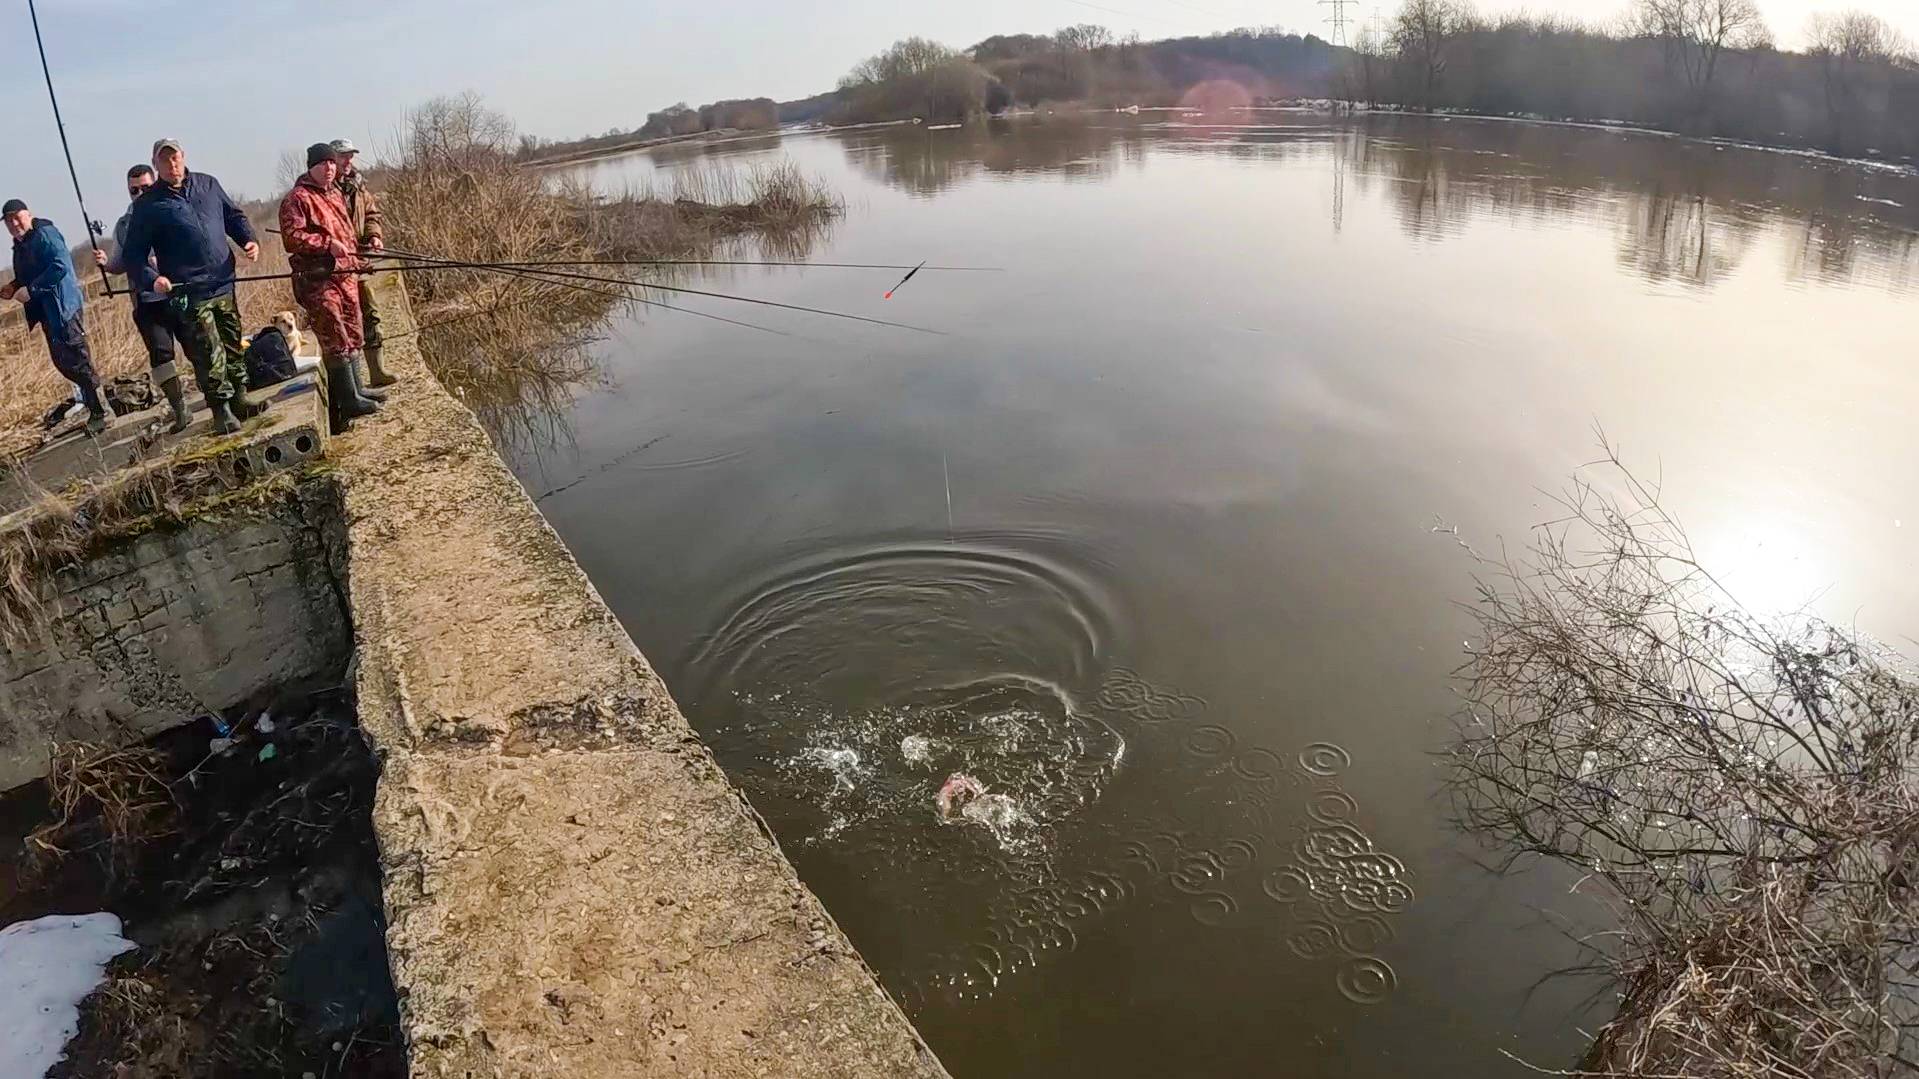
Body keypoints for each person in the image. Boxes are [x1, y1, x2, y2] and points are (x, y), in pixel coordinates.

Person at [117, 139, 261, 434]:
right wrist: (152, 278)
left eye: (175, 157)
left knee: (232, 343)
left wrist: (248, 239)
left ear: (183, 156)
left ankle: (240, 398)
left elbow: (233, 216)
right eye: (164, 160)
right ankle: (220, 410)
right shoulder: (148, 206)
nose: (172, 164)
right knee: (208, 351)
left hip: (223, 282)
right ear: (156, 164)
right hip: (190, 291)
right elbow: (133, 255)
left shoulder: (208, 184)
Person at [278, 143, 380, 433]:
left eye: (332, 163)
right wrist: (326, 244)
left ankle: (357, 390)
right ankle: (347, 401)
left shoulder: (335, 192)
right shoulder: (297, 198)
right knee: (334, 334)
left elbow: (347, 234)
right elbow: (292, 238)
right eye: (323, 163)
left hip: (345, 275)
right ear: (311, 167)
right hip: (318, 279)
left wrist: (360, 256)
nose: (329, 168)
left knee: (353, 332)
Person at [2, 199, 113, 435]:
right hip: (47, 313)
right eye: (8, 221)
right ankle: (95, 405)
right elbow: (29, 274)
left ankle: (102, 412)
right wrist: (14, 286)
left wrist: (32, 290)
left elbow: (60, 266)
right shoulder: (21, 245)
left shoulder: (45, 234)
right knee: (63, 362)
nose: (14, 224)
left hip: (63, 308)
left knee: (78, 359)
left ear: (28, 214)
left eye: (17, 217)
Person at [95, 164, 191, 432]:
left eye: (145, 188)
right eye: (134, 190)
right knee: (161, 356)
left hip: (180, 293)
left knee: (198, 346)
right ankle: (180, 409)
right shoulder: (124, 224)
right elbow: (119, 263)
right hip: (147, 301)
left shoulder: (173, 207)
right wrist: (106, 263)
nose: (140, 194)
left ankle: (216, 398)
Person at [329, 138, 395, 394]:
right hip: (335, 268)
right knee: (343, 322)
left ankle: (377, 371)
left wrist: (374, 235)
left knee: (370, 313)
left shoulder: (358, 184)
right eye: (342, 156)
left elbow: (371, 214)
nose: (348, 161)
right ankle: (350, 387)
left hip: (360, 262)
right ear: (331, 159)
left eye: (350, 156)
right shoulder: (322, 189)